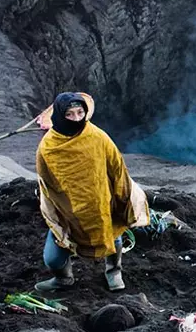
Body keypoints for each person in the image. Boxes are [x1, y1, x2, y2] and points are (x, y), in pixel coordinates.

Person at [35, 93, 149, 292]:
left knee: (112, 235)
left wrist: (122, 198)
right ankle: (63, 278)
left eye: (80, 112)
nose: (77, 118)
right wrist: (57, 210)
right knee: (52, 258)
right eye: (69, 114)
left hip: (101, 204)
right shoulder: (48, 147)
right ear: (60, 116)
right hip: (69, 211)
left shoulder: (97, 137)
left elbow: (117, 168)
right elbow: (47, 183)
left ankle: (114, 270)